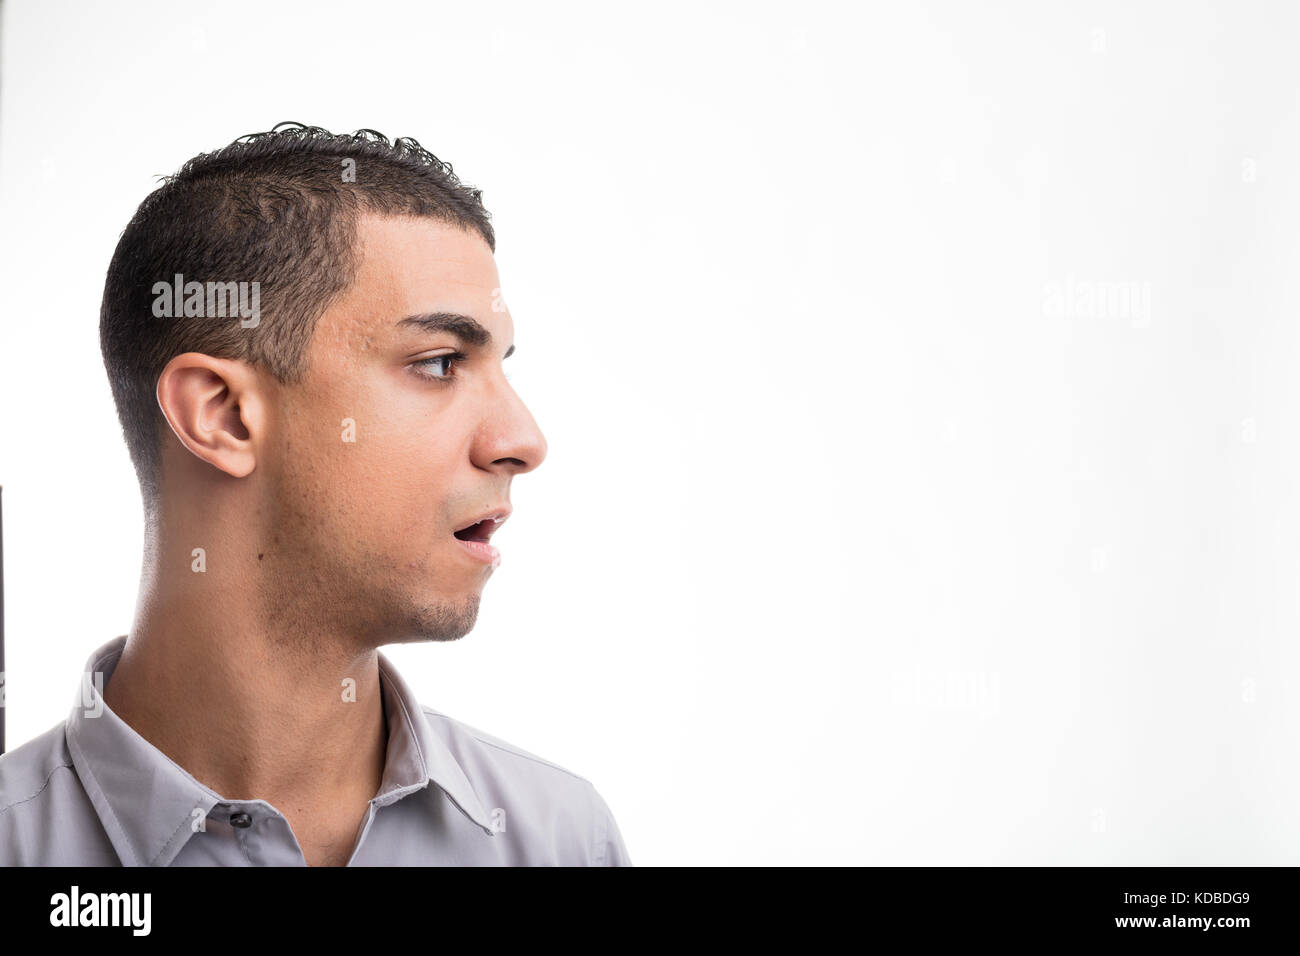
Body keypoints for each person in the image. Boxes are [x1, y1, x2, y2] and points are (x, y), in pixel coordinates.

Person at [0, 123, 631, 866]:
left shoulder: (558, 841)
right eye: (439, 363)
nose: (523, 440)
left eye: (501, 365)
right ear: (224, 415)